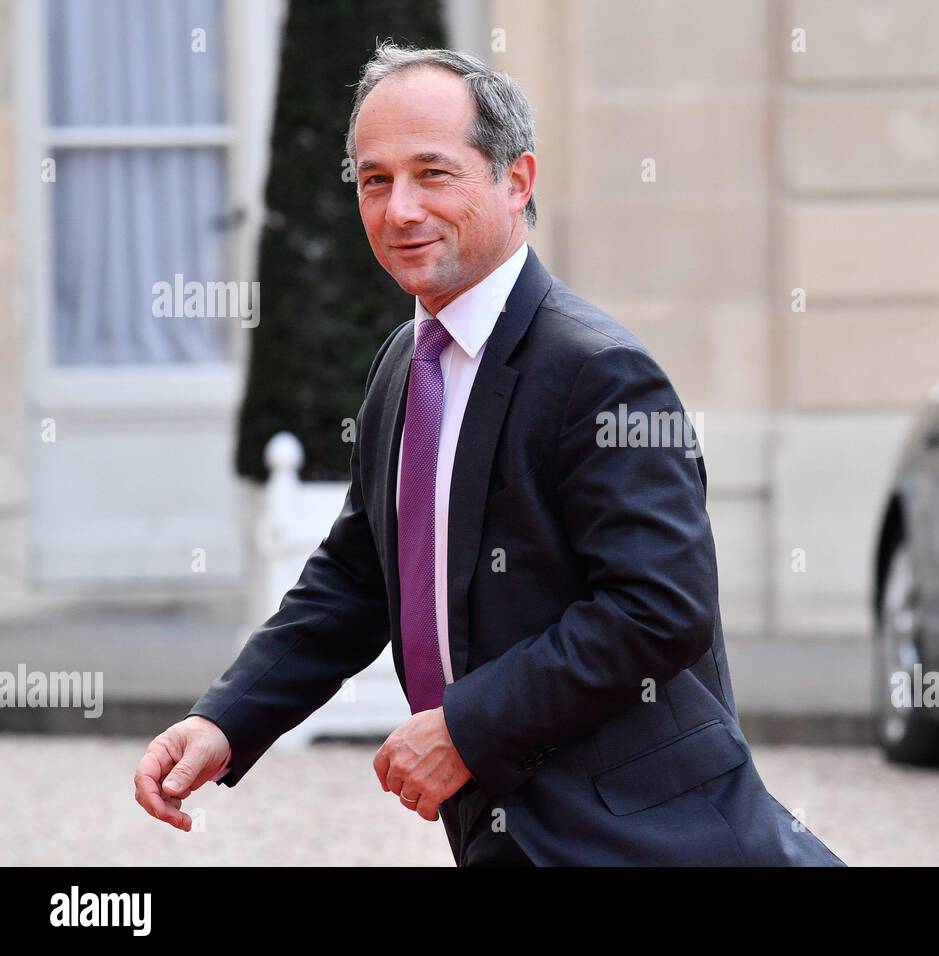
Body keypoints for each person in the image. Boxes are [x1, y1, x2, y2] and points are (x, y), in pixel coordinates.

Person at [133, 43, 844, 867]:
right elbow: (358, 577)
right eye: (374, 179)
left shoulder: (599, 371)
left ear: (517, 180)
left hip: (645, 835)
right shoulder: (405, 364)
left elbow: (658, 608)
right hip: (504, 830)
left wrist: (466, 730)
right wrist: (225, 720)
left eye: (434, 173)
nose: (399, 209)